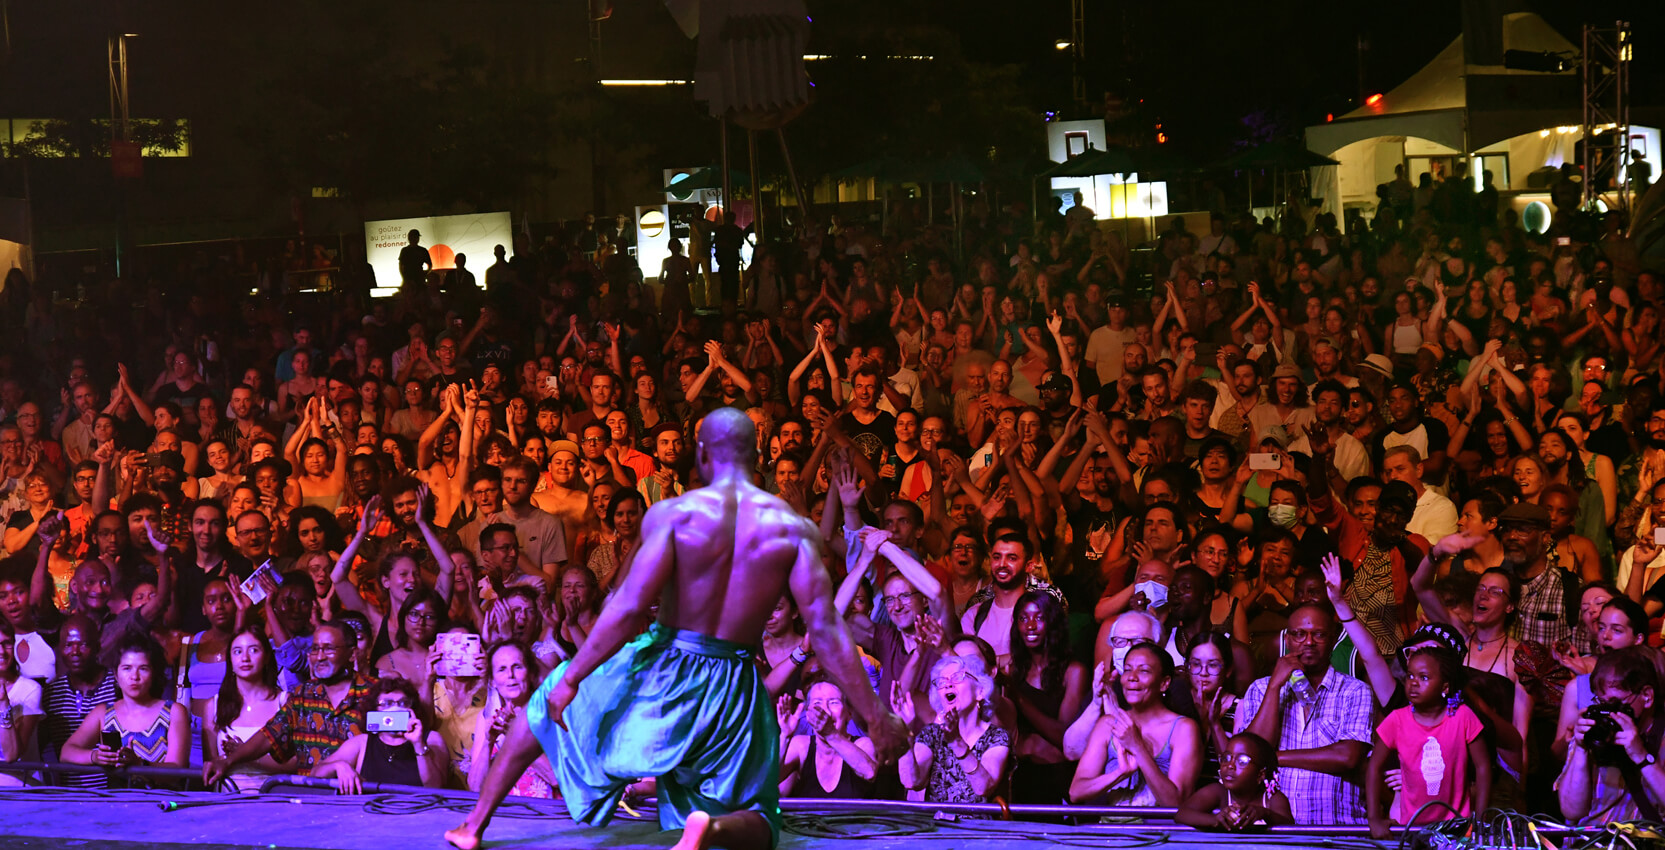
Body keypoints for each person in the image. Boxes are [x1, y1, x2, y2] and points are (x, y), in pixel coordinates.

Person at [446, 407, 908, 850]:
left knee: (543, 705)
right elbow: (826, 629)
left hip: (664, 665)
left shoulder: (673, 515)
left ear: (703, 454)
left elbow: (629, 607)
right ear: (757, 453)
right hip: (734, 680)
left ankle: (473, 824)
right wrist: (875, 715)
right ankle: (713, 830)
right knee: (761, 815)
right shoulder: (794, 529)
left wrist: (571, 678)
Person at [1235, 604, 1374, 824]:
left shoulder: (1355, 691)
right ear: (1287, 639)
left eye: (1318, 634)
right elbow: (1251, 754)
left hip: (1336, 828)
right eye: (1299, 634)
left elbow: (1347, 757)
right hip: (1273, 830)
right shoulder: (1261, 689)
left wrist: (1274, 758)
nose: (1308, 642)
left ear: (1333, 639)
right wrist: (1274, 687)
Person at [203, 620, 374, 783]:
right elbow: (269, 735)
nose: (320, 657)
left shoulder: (374, 694)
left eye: (328, 649)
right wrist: (228, 761)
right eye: (315, 649)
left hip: (358, 802)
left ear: (352, 654)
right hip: (310, 800)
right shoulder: (303, 695)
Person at [1366, 647, 1491, 837]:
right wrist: (1374, 818)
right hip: (1412, 829)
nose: (1413, 683)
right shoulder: (1397, 720)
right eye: (1410, 676)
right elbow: (1373, 767)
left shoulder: (1462, 716)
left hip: (1456, 830)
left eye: (1423, 678)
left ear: (1445, 687)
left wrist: (1481, 819)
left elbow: (1483, 767)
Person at [1069, 641, 1201, 806]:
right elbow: (1076, 792)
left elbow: (1176, 803)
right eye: (1128, 669)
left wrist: (1138, 748)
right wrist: (1120, 773)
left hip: (1161, 830)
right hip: (1112, 829)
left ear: (1164, 683)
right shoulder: (1108, 725)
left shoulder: (1183, 729)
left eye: (1144, 671)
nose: (1132, 677)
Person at [893, 653, 1012, 804]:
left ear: (980, 691)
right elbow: (911, 782)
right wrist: (904, 732)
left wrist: (956, 742)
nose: (948, 684)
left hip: (981, 826)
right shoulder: (931, 734)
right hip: (939, 825)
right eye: (941, 682)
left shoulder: (997, 737)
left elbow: (983, 788)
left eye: (958, 677)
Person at [61, 637, 190, 770]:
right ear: (116, 674)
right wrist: (95, 756)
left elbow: (177, 768)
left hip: (161, 791)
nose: (134, 676)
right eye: (127, 668)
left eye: (143, 669)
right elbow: (66, 753)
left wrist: (139, 764)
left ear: (154, 673)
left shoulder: (173, 711)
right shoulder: (103, 713)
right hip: (115, 792)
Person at [312, 677, 449, 793]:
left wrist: (418, 744)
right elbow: (315, 774)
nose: (395, 709)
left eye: (403, 703)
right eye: (386, 704)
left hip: (417, 815)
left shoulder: (431, 739)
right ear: (374, 709)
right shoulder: (362, 743)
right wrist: (339, 766)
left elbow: (436, 787)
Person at [777, 679, 878, 798]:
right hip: (810, 817)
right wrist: (785, 736)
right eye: (817, 703)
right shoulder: (801, 745)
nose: (825, 711)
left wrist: (830, 733)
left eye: (833, 702)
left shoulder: (863, 744)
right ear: (808, 713)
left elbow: (869, 773)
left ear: (849, 713)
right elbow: (766, 781)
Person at [1176, 732, 1294, 830]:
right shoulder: (1218, 791)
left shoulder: (1272, 798)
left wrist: (1265, 814)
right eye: (1226, 758)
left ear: (1260, 774)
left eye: (1242, 761)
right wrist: (1215, 820)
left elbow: (1289, 826)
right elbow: (1182, 814)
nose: (1230, 766)